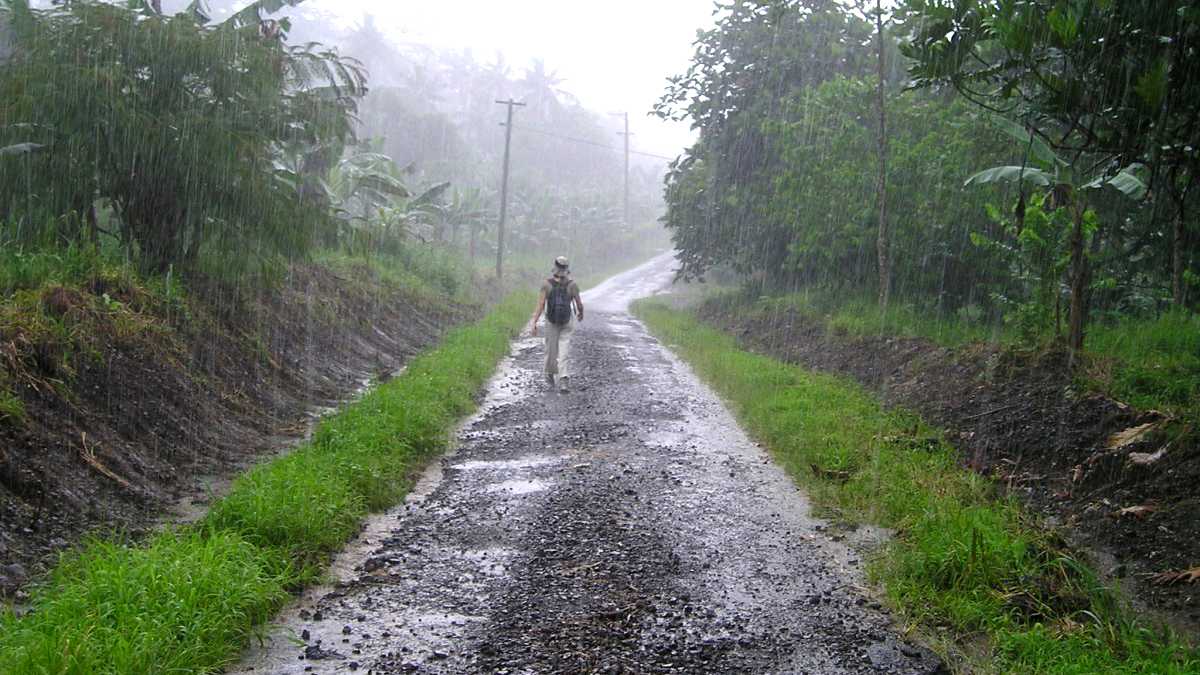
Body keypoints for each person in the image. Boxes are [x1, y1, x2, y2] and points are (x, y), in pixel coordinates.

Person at [531, 256, 583, 392]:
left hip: (551, 321)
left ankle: (549, 375)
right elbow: (579, 304)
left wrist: (534, 322)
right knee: (564, 351)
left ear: (555, 267)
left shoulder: (546, 284)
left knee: (551, 350)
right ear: (567, 269)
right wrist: (580, 314)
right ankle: (564, 379)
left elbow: (541, 305)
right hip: (567, 322)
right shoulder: (572, 285)